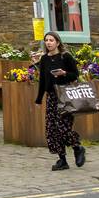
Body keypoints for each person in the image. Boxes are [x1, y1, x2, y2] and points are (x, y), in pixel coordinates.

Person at [35, 31, 84, 170]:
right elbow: (43, 80)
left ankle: (77, 147)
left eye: (51, 40)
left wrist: (64, 74)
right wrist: (39, 99)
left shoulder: (65, 57)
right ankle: (62, 160)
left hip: (65, 95)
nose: (49, 43)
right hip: (51, 97)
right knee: (52, 129)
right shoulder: (44, 59)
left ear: (57, 42)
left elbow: (75, 75)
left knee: (63, 127)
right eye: (46, 40)